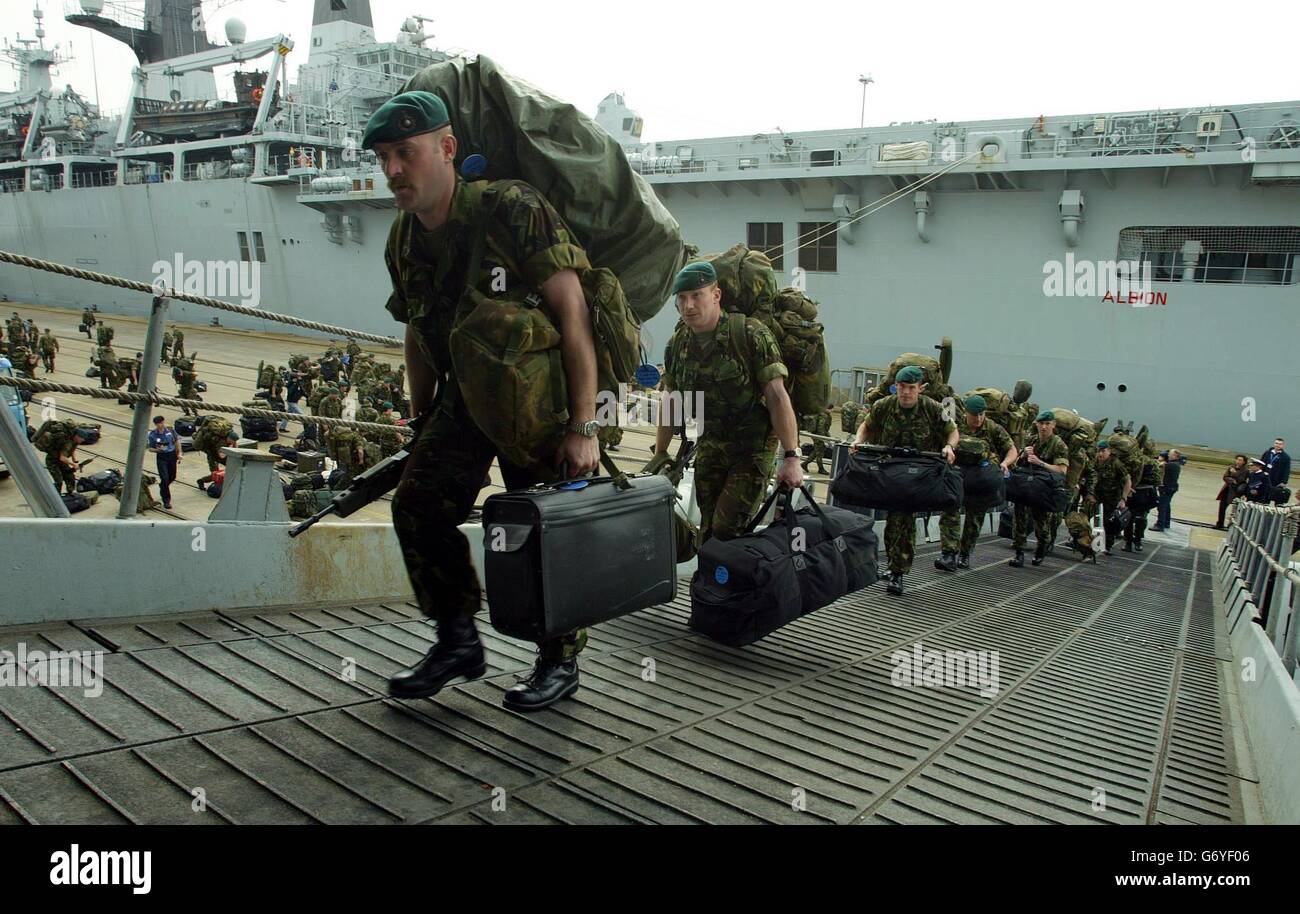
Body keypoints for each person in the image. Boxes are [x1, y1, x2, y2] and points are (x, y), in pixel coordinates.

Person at [369, 90, 604, 711]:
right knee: (417, 505)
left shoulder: (513, 211)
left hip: (538, 406)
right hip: (464, 402)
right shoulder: (404, 240)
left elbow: (573, 316)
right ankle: (457, 640)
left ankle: (559, 660)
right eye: (384, 157)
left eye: (406, 153)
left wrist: (585, 425)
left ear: (447, 149)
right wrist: (422, 422)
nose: (394, 170)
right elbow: (418, 334)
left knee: (536, 532)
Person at [657, 260, 804, 544]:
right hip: (709, 445)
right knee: (708, 530)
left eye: (696, 295)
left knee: (727, 529)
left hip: (751, 450)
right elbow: (670, 399)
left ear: (716, 295)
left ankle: (734, 584)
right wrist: (661, 452)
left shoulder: (751, 335)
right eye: (681, 299)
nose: (688, 305)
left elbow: (777, 397)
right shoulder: (677, 345)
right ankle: (714, 585)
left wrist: (791, 457)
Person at [852, 364, 958, 594]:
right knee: (893, 519)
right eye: (901, 387)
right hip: (890, 471)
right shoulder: (884, 406)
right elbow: (866, 426)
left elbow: (952, 430)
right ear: (895, 387)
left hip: (918, 474)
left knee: (904, 518)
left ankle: (898, 571)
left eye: (911, 387)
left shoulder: (933, 408)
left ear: (921, 388)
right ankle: (894, 566)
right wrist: (857, 440)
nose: (906, 392)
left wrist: (949, 446)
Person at [936, 394, 1017, 571]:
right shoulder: (956, 426)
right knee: (950, 511)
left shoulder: (993, 428)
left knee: (975, 518)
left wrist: (1005, 463)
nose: (979, 418)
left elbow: (1011, 449)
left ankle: (965, 554)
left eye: (981, 414)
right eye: (975, 414)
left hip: (981, 481)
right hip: (958, 476)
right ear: (966, 413)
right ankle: (949, 554)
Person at [1009, 410, 1071, 567]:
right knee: (1019, 519)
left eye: (1047, 424)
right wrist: (1023, 455)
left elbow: (1062, 470)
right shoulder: (1032, 439)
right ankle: (1019, 553)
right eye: (1041, 424)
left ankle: (1041, 548)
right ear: (1036, 424)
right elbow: (1017, 463)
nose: (1044, 427)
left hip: (1044, 489)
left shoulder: (1058, 444)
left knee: (1042, 523)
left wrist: (1040, 463)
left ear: (1053, 425)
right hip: (1026, 485)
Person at [1083, 439, 1131, 555]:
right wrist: (1088, 494)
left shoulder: (1116, 463)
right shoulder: (1093, 462)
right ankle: (1092, 544)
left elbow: (1128, 481)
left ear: (1109, 451)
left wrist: (1123, 499)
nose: (1100, 454)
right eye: (1098, 451)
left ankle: (1106, 547)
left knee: (1109, 524)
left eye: (1103, 451)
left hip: (1111, 499)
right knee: (1092, 521)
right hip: (1096, 498)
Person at [147, 415, 181, 509]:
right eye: (158, 424)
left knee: (172, 476)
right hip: (162, 457)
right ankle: (166, 500)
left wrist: (179, 453)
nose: (161, 425)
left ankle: (163, 486)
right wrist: (157, 450)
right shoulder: (153, 434)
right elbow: (150, 448)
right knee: (165, 478)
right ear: (156, 424)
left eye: (162, 423)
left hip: (172, 455)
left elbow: (177, 441)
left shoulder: (170, 430)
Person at [1215, 455, 1250, 529]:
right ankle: (1220, 523)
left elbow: (1242, 480)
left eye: (1240, 460)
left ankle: (1231, 525)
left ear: (1244, 462)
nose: (1238, 461)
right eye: (1237, 459)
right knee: (1222, 507)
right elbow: (1225, 477)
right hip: (1227, 489)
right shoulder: (1231, 467)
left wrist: (1234, 474)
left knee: (1234, 509)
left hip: (1236, 491)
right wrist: (1232, 480)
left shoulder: (1245, 470)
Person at [1152, 448, 1182, 531]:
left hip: (1167, 488)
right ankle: (1166, 522)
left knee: (1162, 507)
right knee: (1166, 506)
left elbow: (1158, 465)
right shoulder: (1175, 464)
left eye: (1170, 454)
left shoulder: (1170, 465)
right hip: (1171, 488)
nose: (1168, 455)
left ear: (1175, 456)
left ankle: (1160, 524)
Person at [45, 429, 83, 494]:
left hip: (61, 462)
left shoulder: (75, 442)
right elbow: (62, 458)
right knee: (59, 480)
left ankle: (70, 494)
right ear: (77, 436)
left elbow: (72, 450)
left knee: (70, 477)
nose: (83, 440)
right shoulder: (68, 443)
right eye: (82, 438)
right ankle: (55, 496)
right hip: (52, 461)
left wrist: (74, 459)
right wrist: (73, 465)